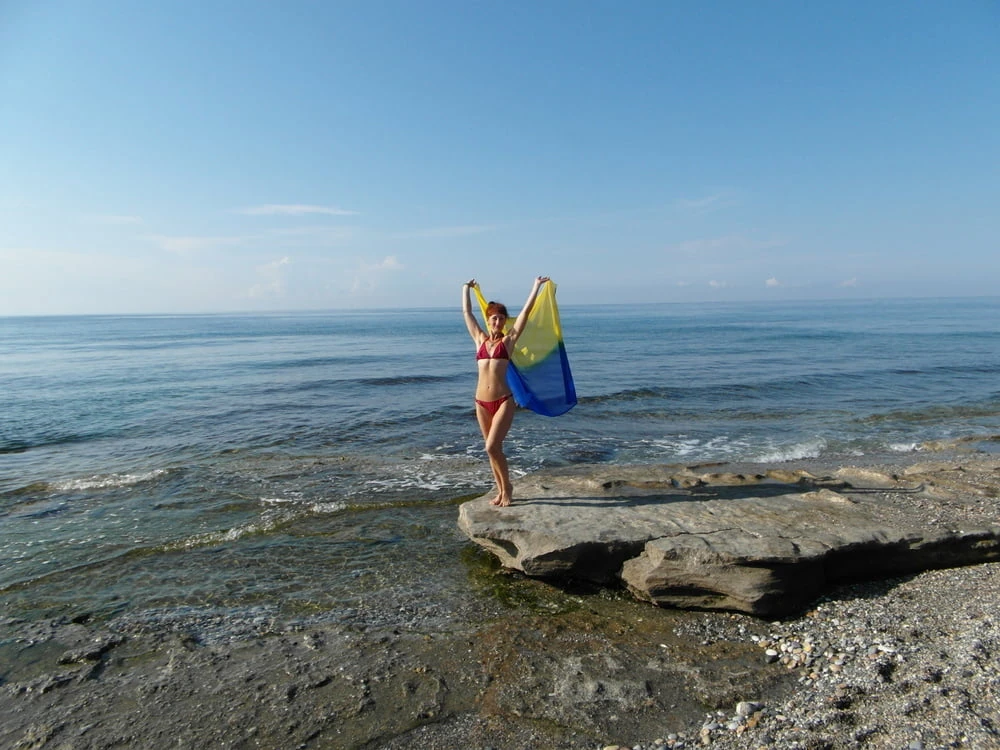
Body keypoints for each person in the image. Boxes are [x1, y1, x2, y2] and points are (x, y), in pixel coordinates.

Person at [462, 276, 549, 507]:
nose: (498, 321)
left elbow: (524, 315)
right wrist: (466, 289)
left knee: (491, 446)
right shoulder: (479, 340)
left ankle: (508, 487)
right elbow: (467, 314)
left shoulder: (508, 341)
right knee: (492, 450)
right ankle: (500, 490)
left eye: (501, 318)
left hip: (503, 401)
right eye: (494, 318)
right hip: (481, 402)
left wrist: (536, 286)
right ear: (488, 320)